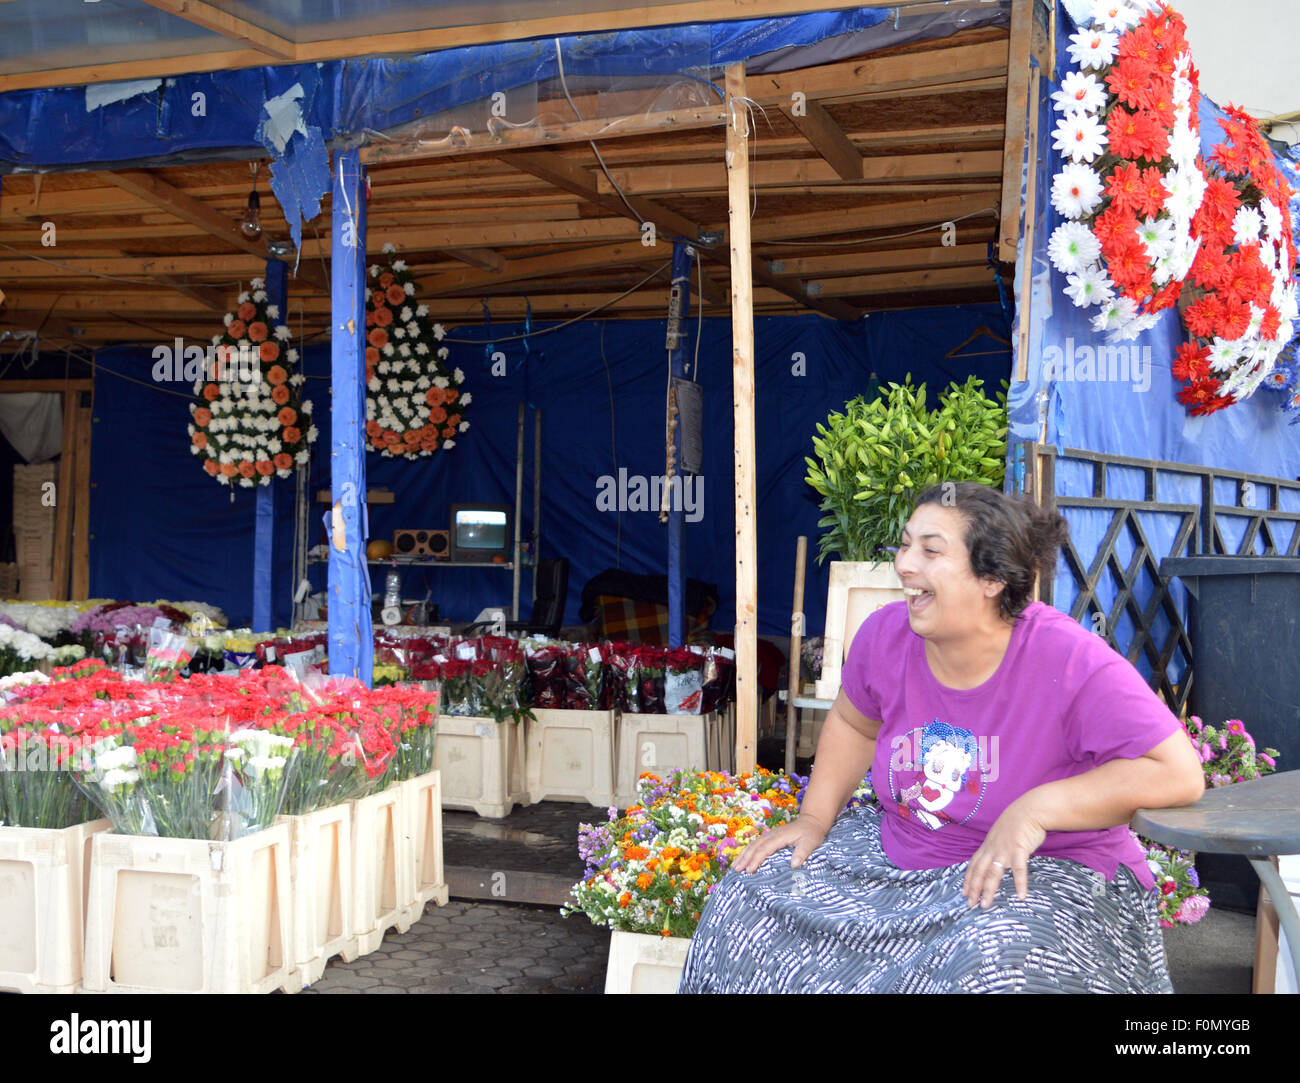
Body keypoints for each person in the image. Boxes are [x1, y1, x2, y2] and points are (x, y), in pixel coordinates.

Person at [678, 482, 1205, 993]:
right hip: (905, 853)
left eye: (931, 551)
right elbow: (854, 724)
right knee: (748, 897)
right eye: (905, 545)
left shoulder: (1069, 660)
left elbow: (1178, 774)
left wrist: (1034, 810)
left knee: (991, 964)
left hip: (1050, 867)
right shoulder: (885, 635)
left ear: (992, 578)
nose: (905, 565)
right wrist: (814, 818)